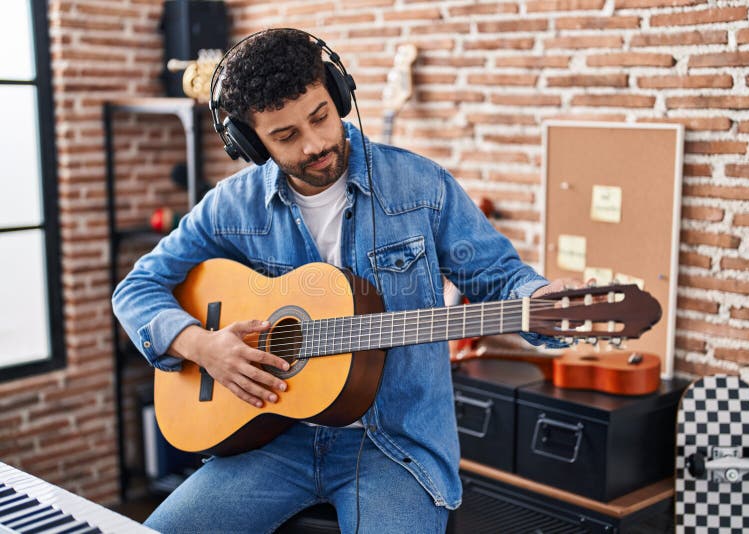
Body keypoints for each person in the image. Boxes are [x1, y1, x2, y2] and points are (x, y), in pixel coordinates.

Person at [112, 28, 572, 534]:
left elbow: (499, 277)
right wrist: (203, 346)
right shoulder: (232, 206)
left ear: (337, 94)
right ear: (252, 142)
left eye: (320, 117)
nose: (314, 144)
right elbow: (137, 288)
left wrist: (539, 299)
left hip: (394, 448)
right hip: (272, 439)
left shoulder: (422, 187)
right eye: (286, 136)